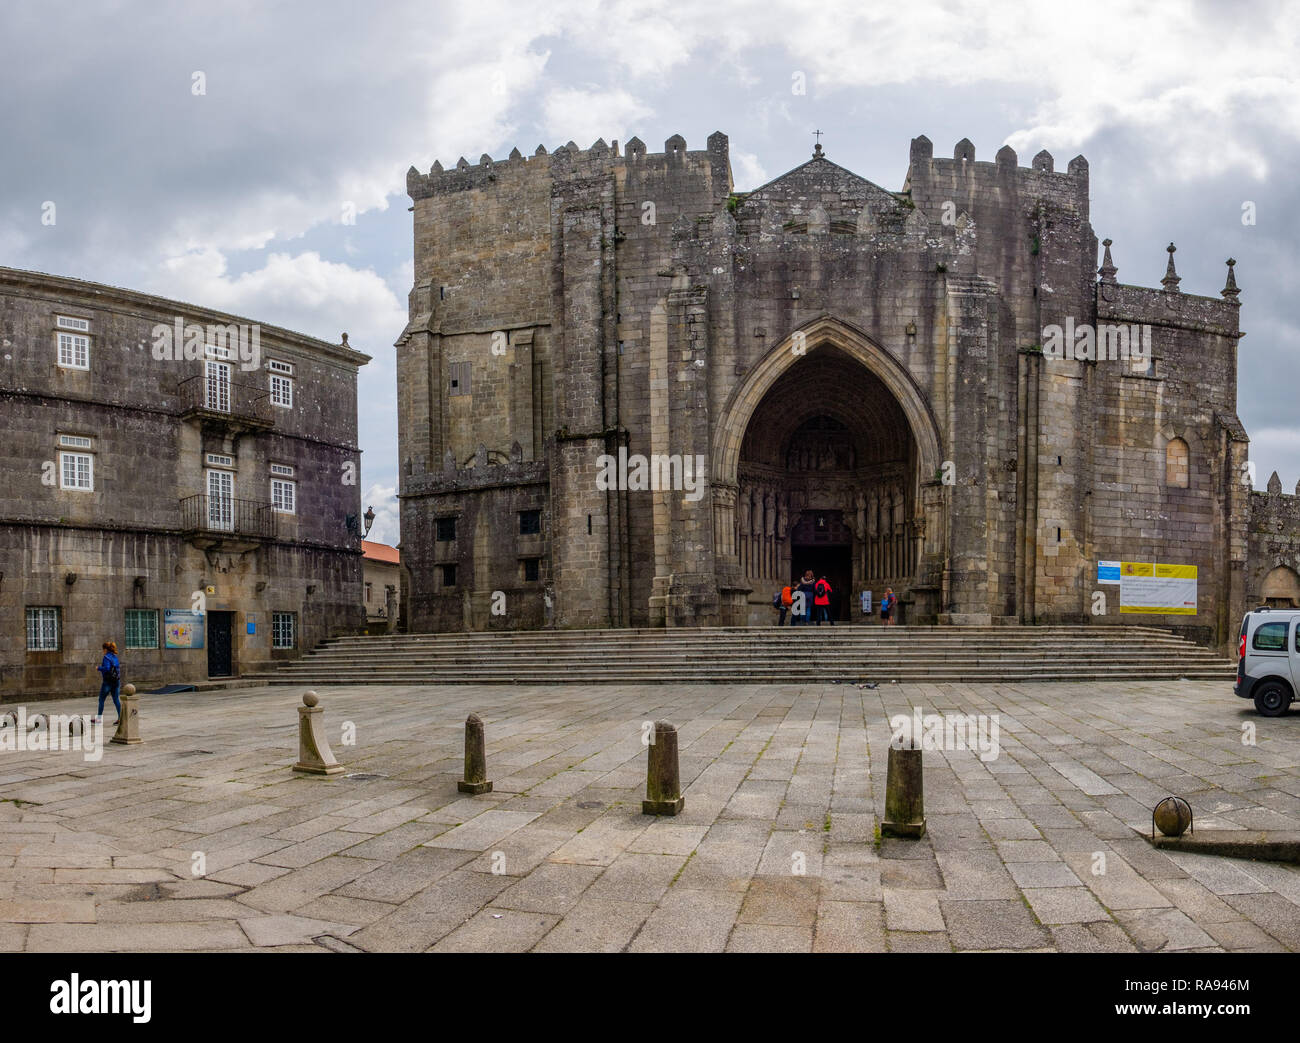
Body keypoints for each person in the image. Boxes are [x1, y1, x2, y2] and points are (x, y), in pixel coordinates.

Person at [95, 641, 121, 724]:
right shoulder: (115, 657)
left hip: (108, 682)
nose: (103, 651)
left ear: (105, 649)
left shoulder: (106, 657)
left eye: (103, 649)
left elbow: (107, 668)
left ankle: (98, 719)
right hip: (116, 681)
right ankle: (121, 718)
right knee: (116, 699)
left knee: (101, 699)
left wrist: (98, 668)